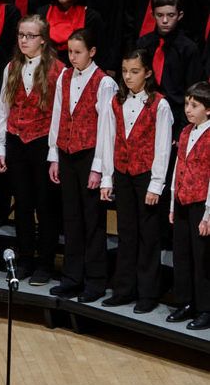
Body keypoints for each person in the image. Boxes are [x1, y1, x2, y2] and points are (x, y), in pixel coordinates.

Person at [101, 47, 173, 313]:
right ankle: (123, 289)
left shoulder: (159, 104)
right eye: (124, 72)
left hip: (146, 176)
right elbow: (109, 139)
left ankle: (147, 294)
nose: (128, 77)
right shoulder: (117, 101)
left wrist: (156, 184)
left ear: (148, 73)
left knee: (148, 236)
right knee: (126, 233)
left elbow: (163, 147)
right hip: (122, 173)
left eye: (134, 72)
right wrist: (107, 178)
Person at [47, 30, 116, 302]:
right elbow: (58, 114)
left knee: (92, 222)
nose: (72, 57)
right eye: (70, 52)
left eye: (78, 52)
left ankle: (95, 281)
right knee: (71, 220)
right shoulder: (65, 76)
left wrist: (98, 168)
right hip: (67, 153)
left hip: (90, 156)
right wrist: (54, 154)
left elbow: (106, 128)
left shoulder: (104, 82)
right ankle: (71, 277)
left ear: (92, 51)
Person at [0, 16, 64, 286]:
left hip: (42, 143)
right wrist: (0, 147)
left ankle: (45, 263)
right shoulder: (12, 67)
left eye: (31, 36)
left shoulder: (58, 70)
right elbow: (4, 108)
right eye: (21, 35)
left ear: (43, 39)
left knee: (45, 207)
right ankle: (25, 259)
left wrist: (54, 153)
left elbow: (58, 115)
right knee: (22, 205)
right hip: (16, 141)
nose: (24, 40)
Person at [167, 81, 210, 329]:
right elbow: (178, 168)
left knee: (202, 257)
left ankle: (205, 307)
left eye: (194, 105)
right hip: (182, 201)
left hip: (201, 205)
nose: (188, 109)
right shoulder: (185, 132)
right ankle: (186, 302)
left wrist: (208, 214)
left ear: (208, 109)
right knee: (182, 255)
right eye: (186, 104)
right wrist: (173, 202)